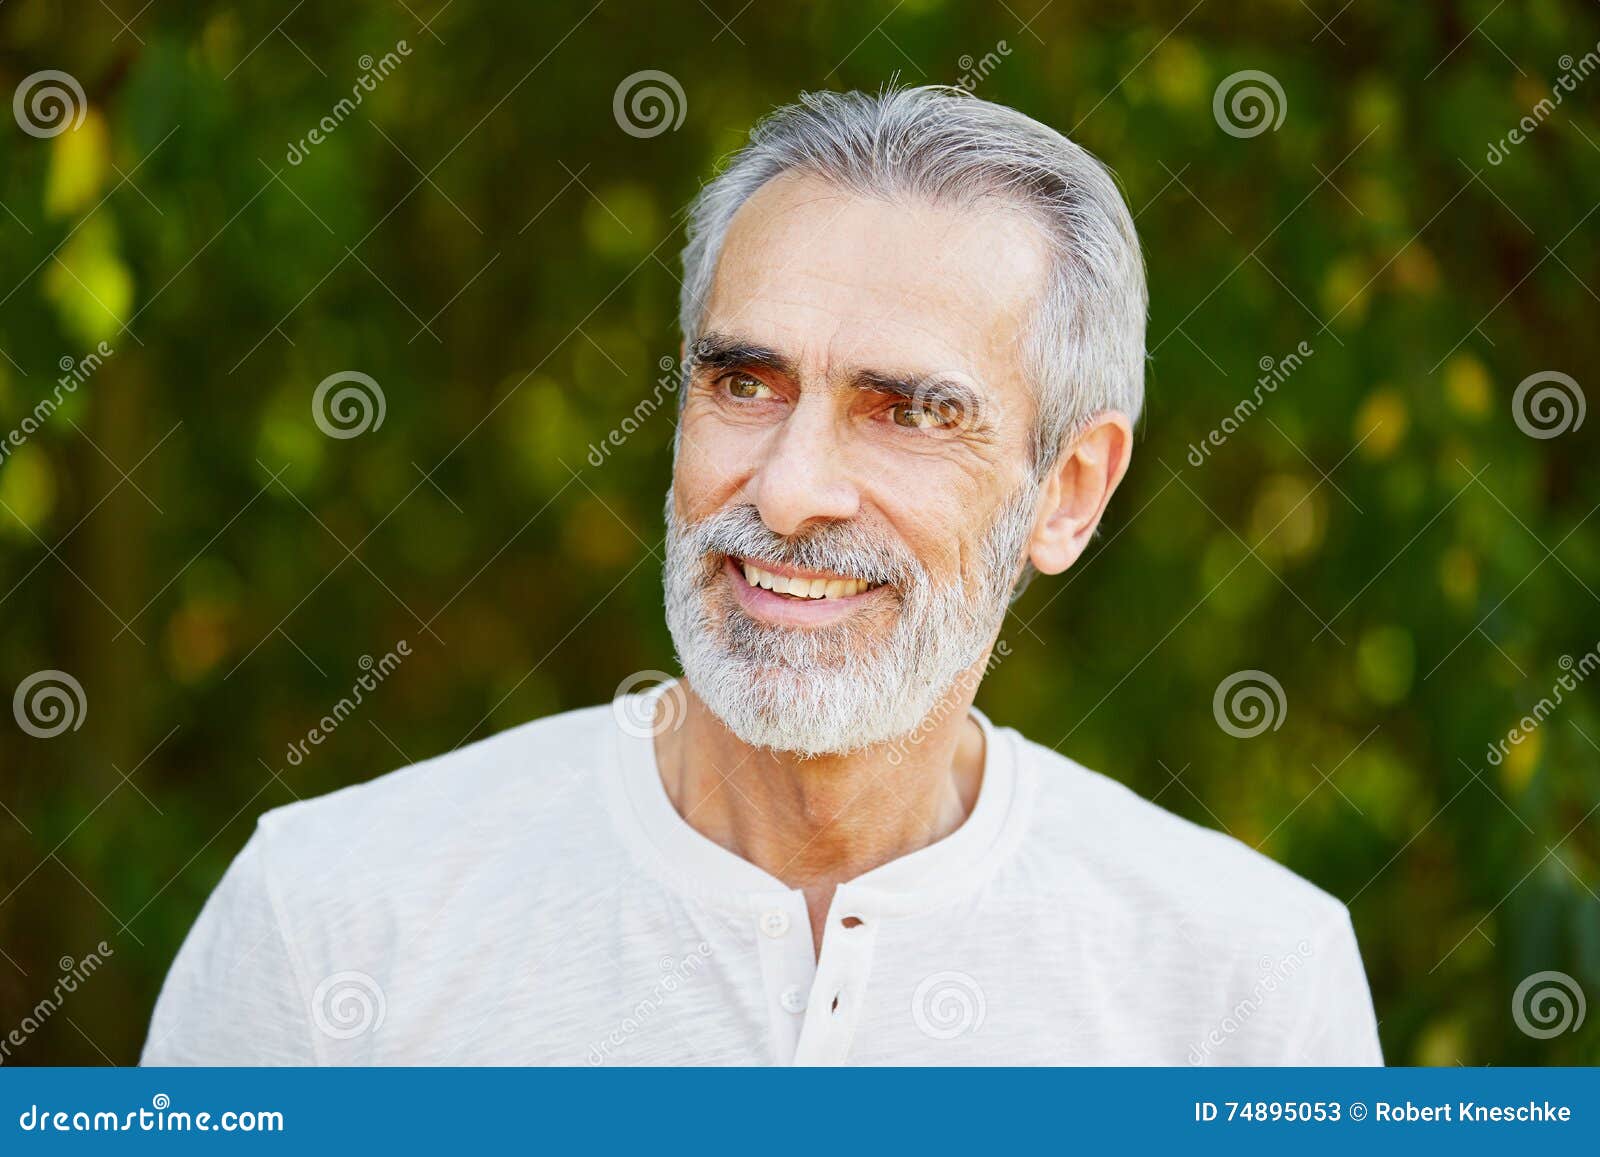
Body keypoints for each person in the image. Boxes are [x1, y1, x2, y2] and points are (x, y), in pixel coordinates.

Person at [142, 86, 1381, 1066]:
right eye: (745, 383)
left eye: (906, 411)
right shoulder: (333, 919)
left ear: (1067, 490)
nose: (788, 490)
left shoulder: (1249, 983)